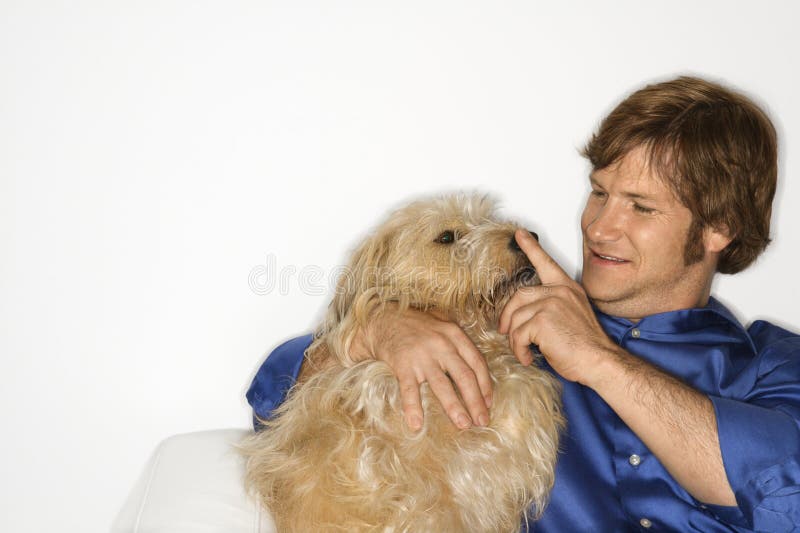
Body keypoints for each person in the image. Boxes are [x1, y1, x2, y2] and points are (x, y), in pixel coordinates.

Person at [246, 76, 800, 531]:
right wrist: (373, 331)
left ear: (718, 231)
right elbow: (278, 403)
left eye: (641, 207)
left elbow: (788, 497)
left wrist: (599, 360)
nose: (600, 227)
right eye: (600, 191)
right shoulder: (504, 333)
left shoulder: (774, 365)